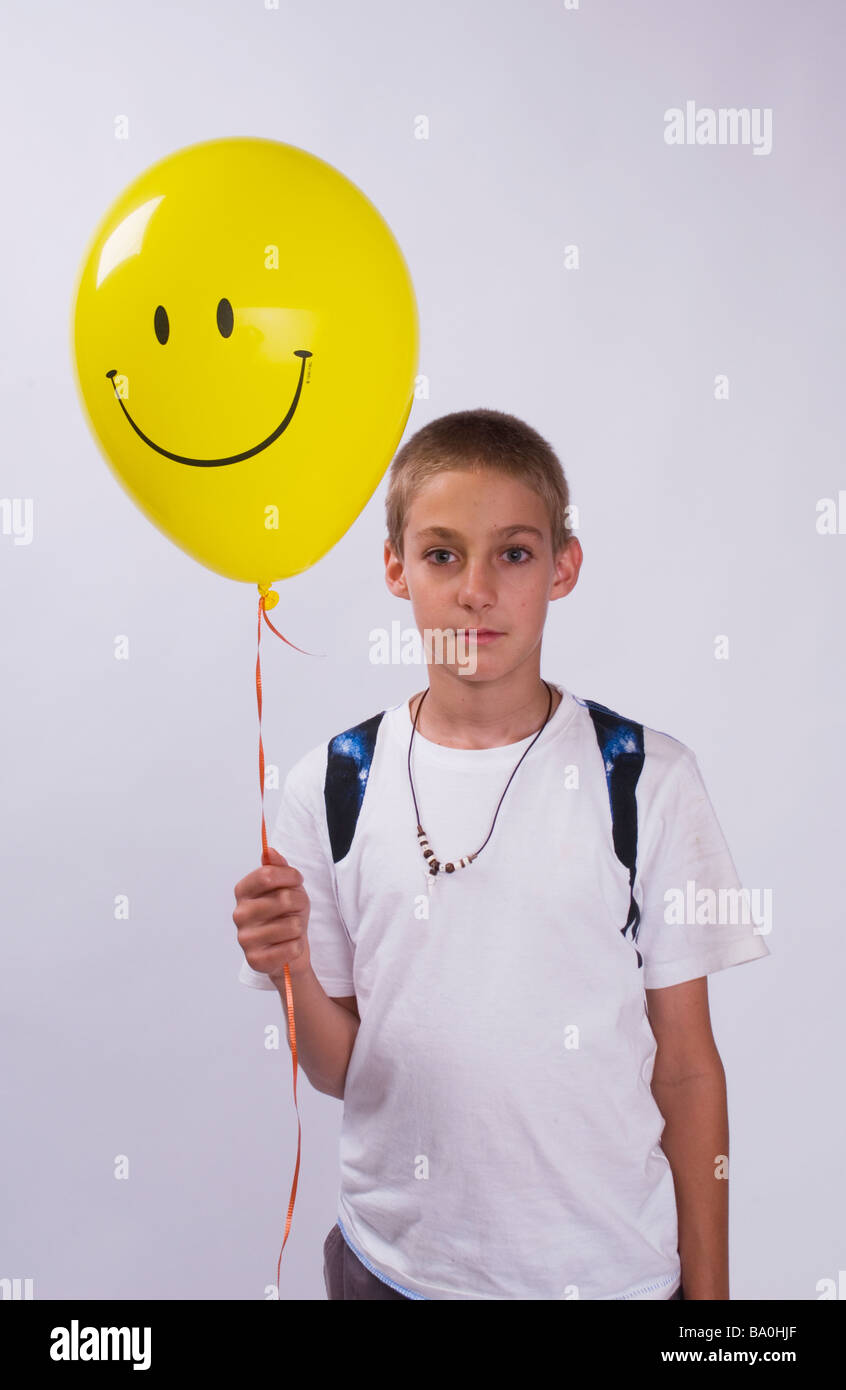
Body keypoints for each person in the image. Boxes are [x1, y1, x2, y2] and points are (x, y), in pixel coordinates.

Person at [232, 408, 770, 1301]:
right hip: (397, 1272)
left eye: (513, 554)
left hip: (611, 1277)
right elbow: (339, 1069)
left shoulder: (641, 778)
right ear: (396, 568)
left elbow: (685, 1063)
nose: (476, 590)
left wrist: (710, 1317)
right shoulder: (331, 784)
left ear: (563, 567)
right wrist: (286, 963)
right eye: (443, 554)